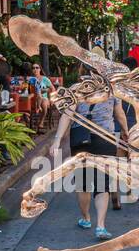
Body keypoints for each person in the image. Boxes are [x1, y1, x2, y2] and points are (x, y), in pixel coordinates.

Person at [52, 89, 128, 240]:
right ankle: (100, 226)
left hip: (81, 140)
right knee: (103, 185)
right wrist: (126, 132)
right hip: (105, 139)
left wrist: (57, 140)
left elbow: (67, 115)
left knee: (83, 183)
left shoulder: (76, 89)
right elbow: (119, 114)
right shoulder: (110, 91)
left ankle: (86, 219)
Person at [26, 62, 53, 128]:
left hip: (44, 97)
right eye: (33, 68)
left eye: (37, 68)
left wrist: (52, 99)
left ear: (40, 69)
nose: (35, 69)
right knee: (24, 102)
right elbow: (26, 90)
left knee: (43, 103)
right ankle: (27, 119)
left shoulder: (45, 79)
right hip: (32, 98)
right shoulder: (30, 79)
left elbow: (53, 89)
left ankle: (41, 121)